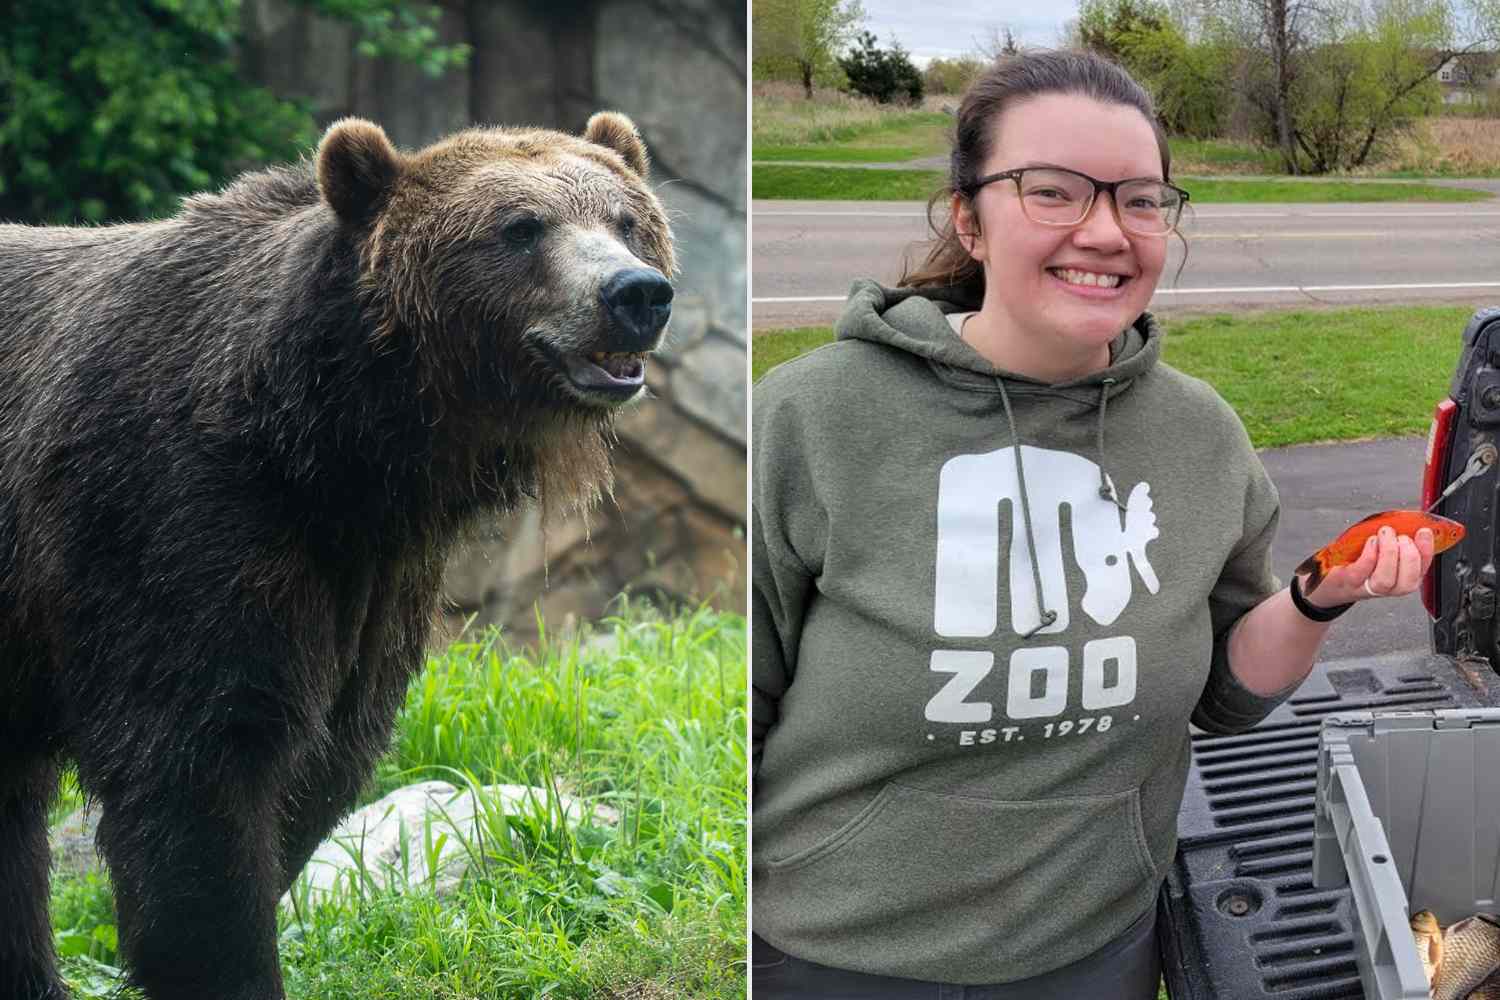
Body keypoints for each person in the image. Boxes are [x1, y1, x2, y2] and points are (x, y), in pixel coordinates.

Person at [750, 49, 1435, 999]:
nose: (1107, 231)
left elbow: (1224, 696)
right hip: (830, 959)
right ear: (969, 220)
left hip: (1099, 951)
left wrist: (1322, 596)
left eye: (1141, 200)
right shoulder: (809, 418)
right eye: (1054, 192)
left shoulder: (1200, 435)